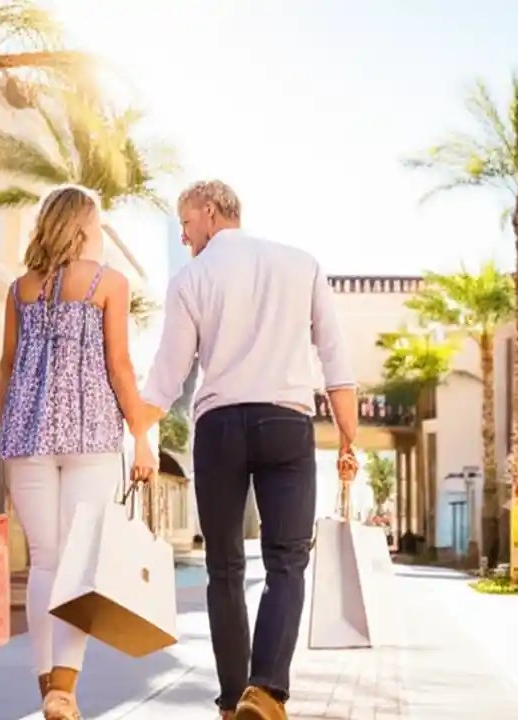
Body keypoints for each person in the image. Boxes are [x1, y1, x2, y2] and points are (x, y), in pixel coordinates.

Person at [138, 180, 360, 720]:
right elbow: (335, 356)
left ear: (210, 213)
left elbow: (167, 376)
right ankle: (264, 691)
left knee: (224, 567)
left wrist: (138, 434)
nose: (186, 236)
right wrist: (349, 439)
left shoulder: (192, 277)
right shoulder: (301, 264)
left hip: (219, 428)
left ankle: (231, 698)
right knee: (287, 560)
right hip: (286, 424)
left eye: (187, 224)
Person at [0, 185, 155, 720]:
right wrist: (141, 436)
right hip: (91, 437)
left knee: (46, 563)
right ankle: (65, 693)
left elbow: (4, 369)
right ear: (79, 227)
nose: (98, 232)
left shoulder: (19, 289)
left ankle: (47, 686)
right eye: (94, 223)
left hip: (25, 437)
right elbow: (120, 368)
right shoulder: (107, 283)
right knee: (76, 566)